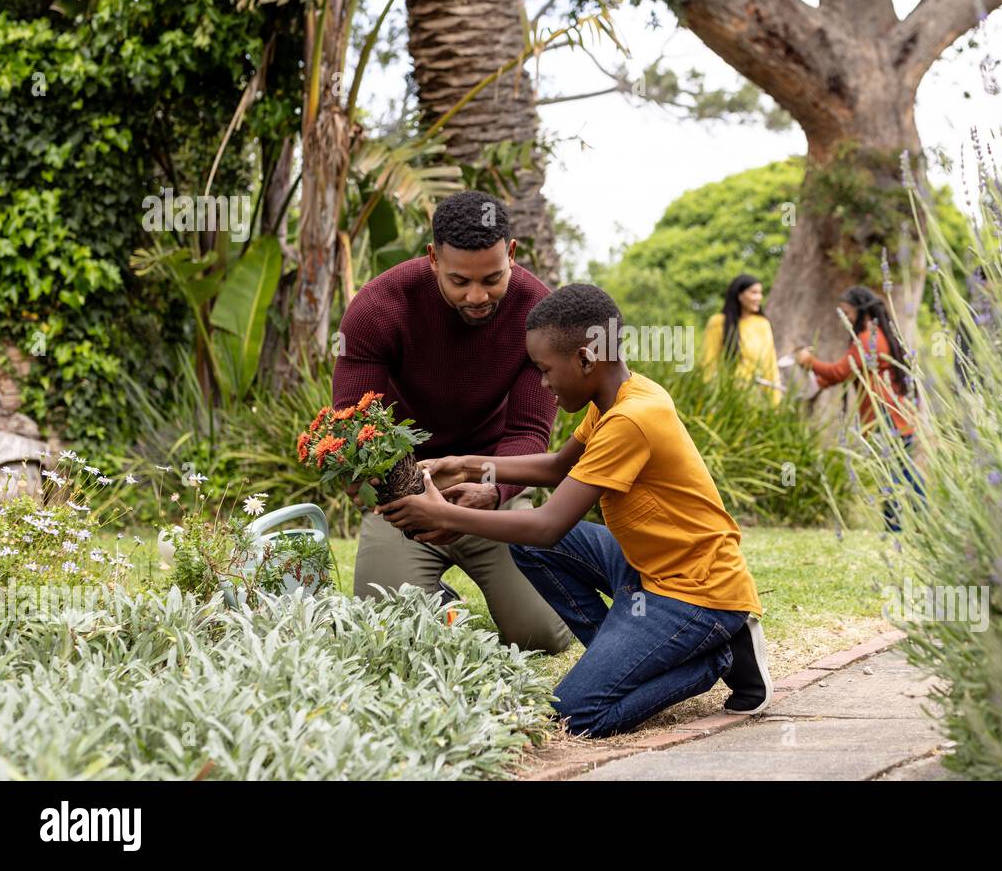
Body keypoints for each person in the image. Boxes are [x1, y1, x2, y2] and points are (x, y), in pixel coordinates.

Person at [376, 283, 773, 738]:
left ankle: (711, 657)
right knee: (526, 548)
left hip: (696, 593)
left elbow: (547, 525)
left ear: (585, 359)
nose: (542, 383)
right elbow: (557, 466)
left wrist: (442, 515)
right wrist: (464, 465)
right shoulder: (617, 397)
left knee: (573, 717)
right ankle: (631, 652)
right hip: (647, 569)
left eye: (545, 370)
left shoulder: (631, 419)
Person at [331, 190, 573, 655]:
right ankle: (437, 598)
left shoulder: (538, 313)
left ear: (512, 253)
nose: (477, 296)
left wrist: (491, 489)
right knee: (388, 634)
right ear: (432, 259)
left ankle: (458, 594)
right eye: (460, 280)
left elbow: (528, 433)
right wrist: (412, 496)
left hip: (491, 491)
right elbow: (354, 426)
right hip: (407, 496)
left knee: (543, 637)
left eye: (492, 278)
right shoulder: (378, 308)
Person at [795, 285, 923, 531]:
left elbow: (841, 371)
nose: (846, 320)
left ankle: (897, 527)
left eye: (848, 314)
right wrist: (817, 383)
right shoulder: (876, 335)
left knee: (895, 473)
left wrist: (808, 362)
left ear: (861, 311)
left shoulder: (868, 339)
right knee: (901, 470)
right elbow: (851, 372)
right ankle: (914, 523)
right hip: (897, 412)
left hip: (886, 414)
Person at [701, 274, 782, 403]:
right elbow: (708, 362)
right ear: (739, 295)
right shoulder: (717, 322)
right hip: (725, 397)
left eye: (760, 293)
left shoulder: (762, 324)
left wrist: (775, 401)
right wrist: (711, 397)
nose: (759, 297)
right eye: (754, 292)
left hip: (755, 398)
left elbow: (770, 363)